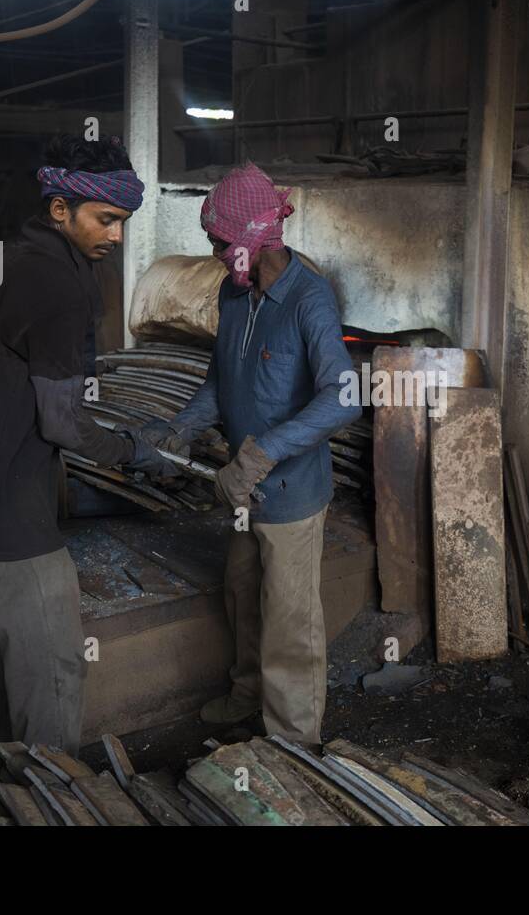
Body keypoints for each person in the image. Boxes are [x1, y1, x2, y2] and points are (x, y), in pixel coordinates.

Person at [0, 134, 174, 787]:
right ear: (61, 209)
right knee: (54, 694)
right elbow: (63, 422)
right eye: (107, 221)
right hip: (19, 527)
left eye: (122, 222)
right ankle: (46, 800)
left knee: (15, 680)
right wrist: (135, 452)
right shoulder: (65, 287)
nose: (117, 238)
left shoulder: (7, 261)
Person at [142, 161, 360, 747]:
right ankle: (247, 696)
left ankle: (295, 739)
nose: (213, 252)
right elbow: (222, 377)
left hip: (289, 494)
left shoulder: (308, 299)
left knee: (290, 623)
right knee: (242, 596)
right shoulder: (234, 294)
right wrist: (183, 426)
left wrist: (261, 453)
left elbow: (345, 397)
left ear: (250, 240)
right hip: (243, 493)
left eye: (218, 241)